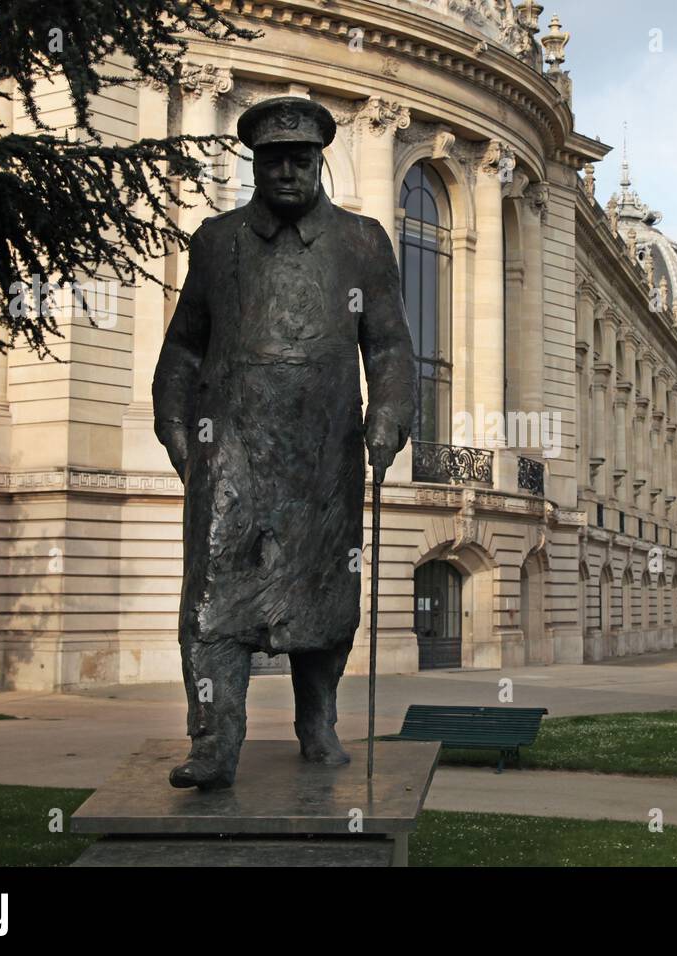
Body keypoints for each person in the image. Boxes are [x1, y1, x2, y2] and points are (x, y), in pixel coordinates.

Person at [153, 97, 416, 789]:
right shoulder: (216, 240)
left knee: (326, 600)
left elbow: (388, 346)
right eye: (274, 160)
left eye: (301, 159)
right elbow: (183, 347)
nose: (287, 172)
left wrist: (389, 416)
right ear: (255, 163)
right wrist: (177, 429)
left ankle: (318, 718)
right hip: (231, 448)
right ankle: (214, 740)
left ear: (320, 161)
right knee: (212, 602)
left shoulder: (363, 242)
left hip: (326, 452)